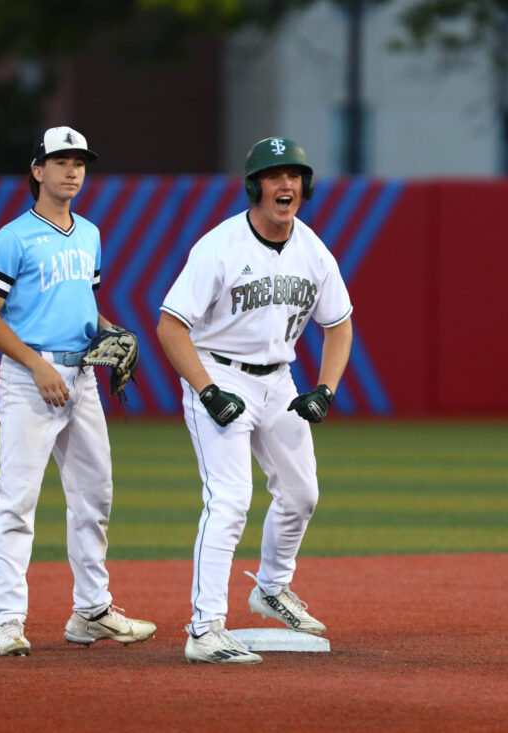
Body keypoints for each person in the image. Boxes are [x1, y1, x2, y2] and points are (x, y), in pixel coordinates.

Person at [156, 137, 353, 665]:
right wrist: (206, 389)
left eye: (293, 175)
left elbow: (339, 326)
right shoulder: (219, 247)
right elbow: (171, 326)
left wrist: (326, 389)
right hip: (218, 372)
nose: (285, 184)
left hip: (279, 381)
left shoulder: (313, 250)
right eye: (273, 176)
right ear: (255, 186)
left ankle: (270, 588)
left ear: (304, 187)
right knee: (230, 499)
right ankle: (205, 628)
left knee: (301, 493)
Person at [0, 126, 156, 656]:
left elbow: (78, 307)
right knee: (17, 501)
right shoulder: (12, 237)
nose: (72, 170)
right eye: (60, 161)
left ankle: (91, 612)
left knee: (95, 496)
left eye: (79, 161)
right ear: (37, 171)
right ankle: (7, 621)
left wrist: (111, 333)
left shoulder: (89, 233)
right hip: (33, 380)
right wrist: (34, 364)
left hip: (82, 377)